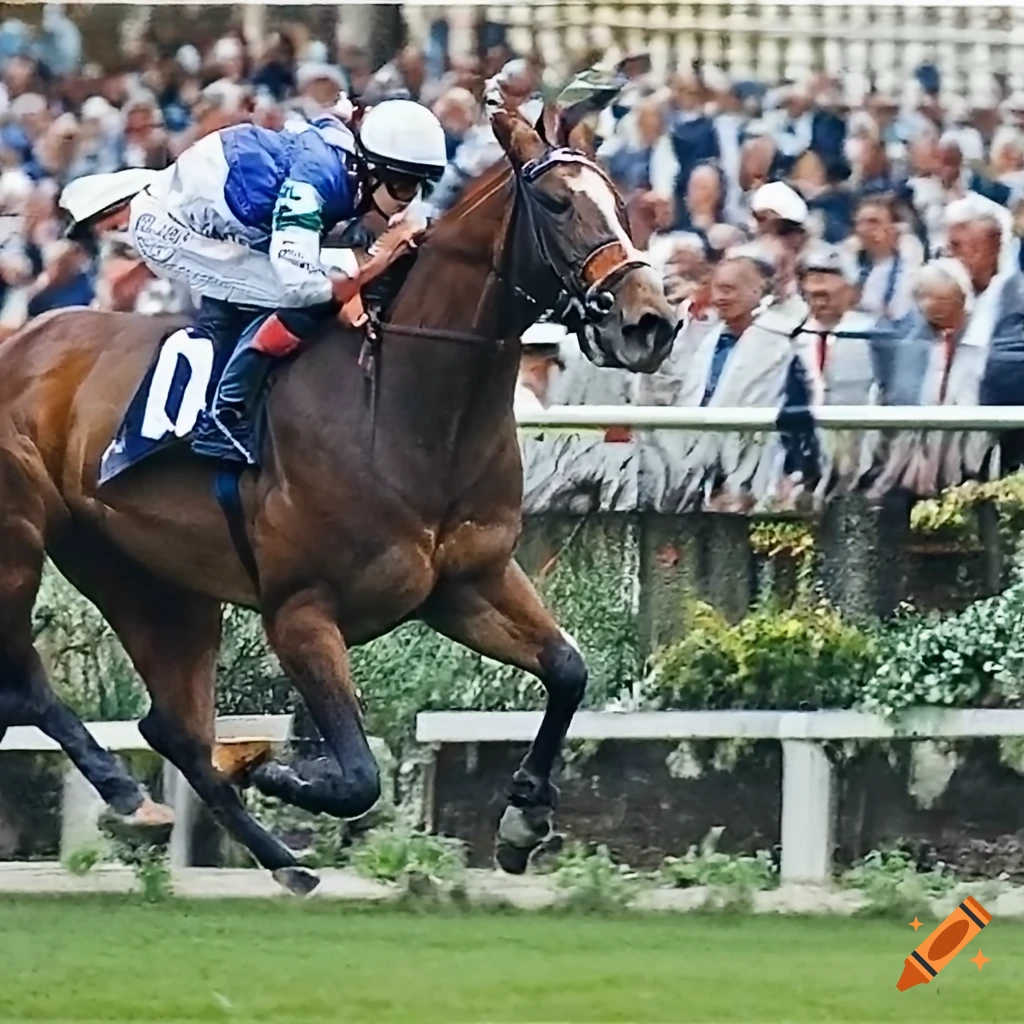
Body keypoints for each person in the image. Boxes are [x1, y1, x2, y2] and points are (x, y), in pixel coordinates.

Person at [127, 99, 448, 464]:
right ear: (371, 170)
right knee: (307, 296)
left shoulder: (349, 155)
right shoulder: (315, 182)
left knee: (341, 267)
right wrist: (376, 262)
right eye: (405, 186)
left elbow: (335, 113)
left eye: (424, 186)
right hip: (174, 231)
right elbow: (299, 283)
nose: (412, 200)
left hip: (225, 214)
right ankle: (225, 413)